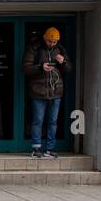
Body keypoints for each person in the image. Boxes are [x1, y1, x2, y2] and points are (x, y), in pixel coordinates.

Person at [21, 27, 72, 159]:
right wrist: (40, 67)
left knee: (53, 121)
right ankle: (36, 148)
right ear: (44, 38)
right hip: (38, 90)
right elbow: (25, 68)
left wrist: (63, 62)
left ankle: (50, 148)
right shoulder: (35, 48)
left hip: (56, 91)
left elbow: (68, 69)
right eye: (50, 41)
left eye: (54, 41)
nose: (52, 44)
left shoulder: (60, 49)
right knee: (38, 120)